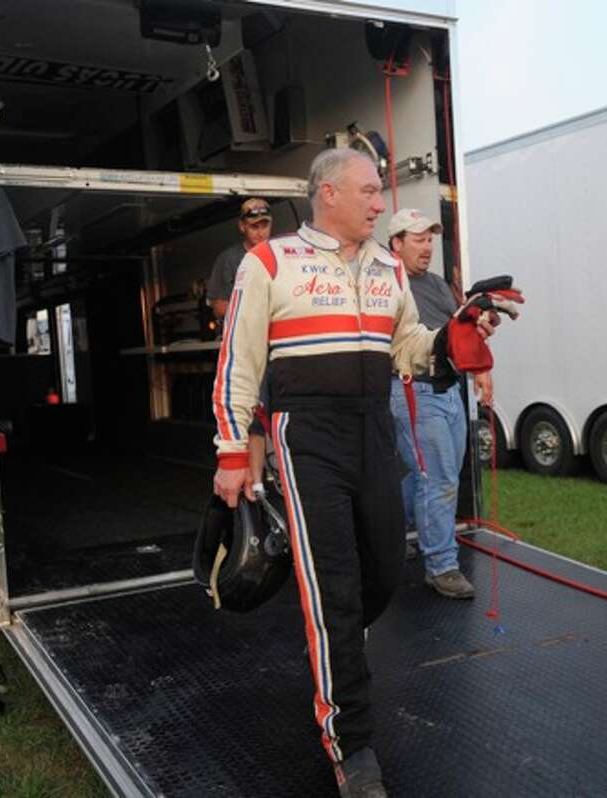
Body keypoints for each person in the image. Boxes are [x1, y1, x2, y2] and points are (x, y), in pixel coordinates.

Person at [211, 148, 506, 797]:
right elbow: (236, 365)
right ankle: (352, 741)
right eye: (370, 191)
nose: (379, 203)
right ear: (328, 194)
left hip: (374, 427)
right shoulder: (269, 263)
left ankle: (331, 629)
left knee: (382, 573)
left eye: (379, 192)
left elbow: (409, 351)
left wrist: (458, 331)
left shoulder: (387, 267)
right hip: (305, 434)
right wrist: (234, 451)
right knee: (336, 594)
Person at [385, 209, 491, 600]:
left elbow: (458, 333)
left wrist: (480, 371)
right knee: (439, 477)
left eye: (430, 239)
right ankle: (442, 566)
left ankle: (389, 532)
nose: (428, 247)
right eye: (418, 239)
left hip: (449, 390)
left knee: (426, 474)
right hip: (414, 389)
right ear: (395, 244)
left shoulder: (438, 285)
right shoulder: (385, 284)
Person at [205, 197, 273, 320]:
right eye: (254, 227)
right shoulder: (228, 260)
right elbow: (219, 308)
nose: (260, 233)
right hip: (245, 334)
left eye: (264, 226)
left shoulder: (281, 255)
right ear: (242, 226)